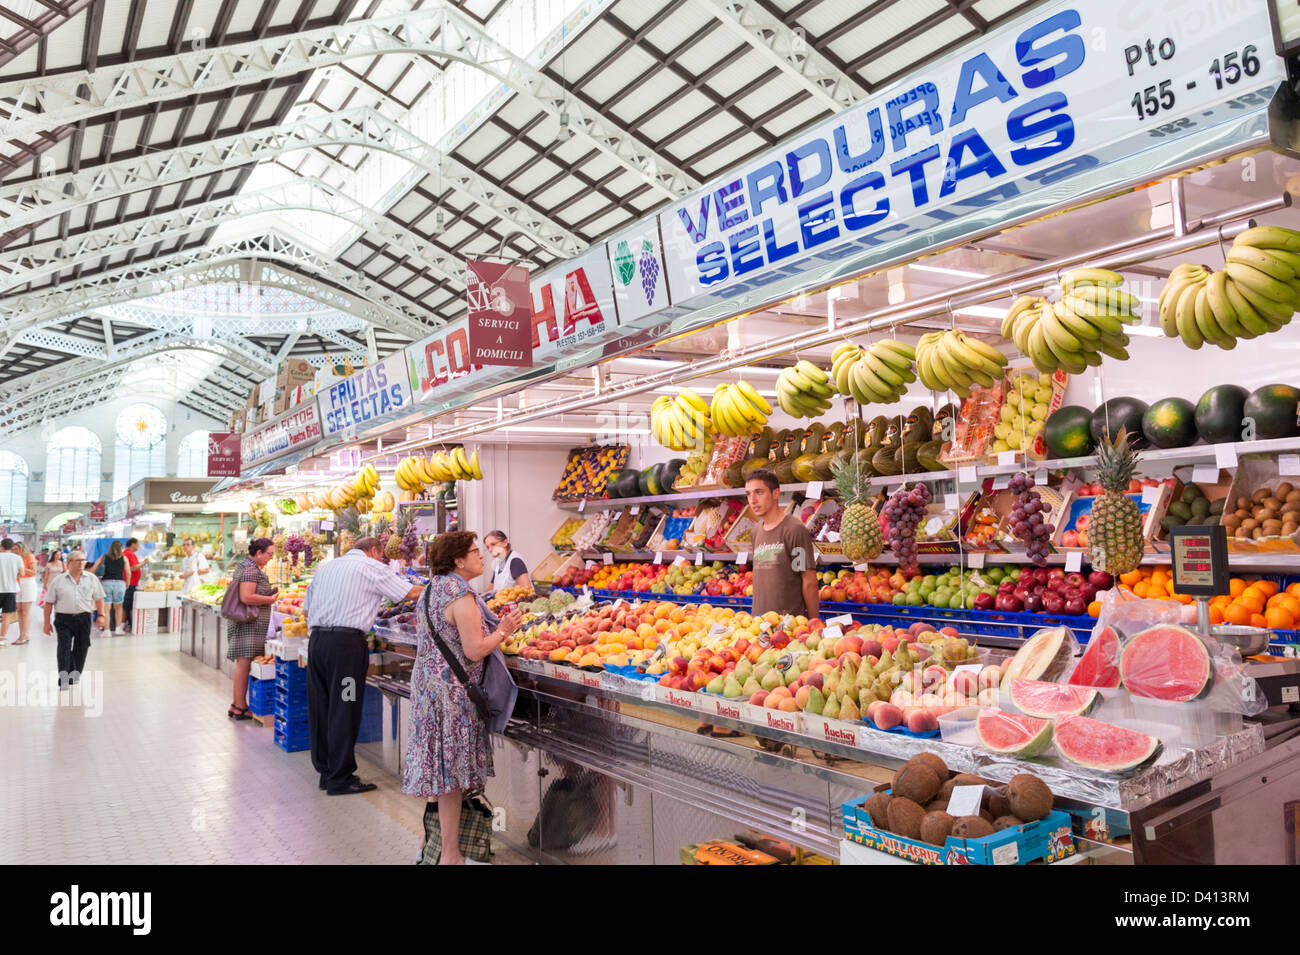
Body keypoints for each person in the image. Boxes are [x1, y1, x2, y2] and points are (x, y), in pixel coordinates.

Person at [403, 532, 524, 864]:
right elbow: (474, 650)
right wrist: (504, 630)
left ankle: (440, 848)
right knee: (452, 776)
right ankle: (451, 854)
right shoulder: (461, 594)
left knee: (443, 777)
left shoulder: (430, 590)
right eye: (474, 552)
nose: (480, 557)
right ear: (458, 560)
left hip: (429, 691)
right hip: (453, 695)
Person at [303, 536, 423, 795]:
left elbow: (305, 610)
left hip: (318, 644)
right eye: (382, 556)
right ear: (373, 551)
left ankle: (327, 772)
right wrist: (449, 591)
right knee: (345, 706)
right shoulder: (370, 566)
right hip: (345, 648)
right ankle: (341, 778)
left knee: (322, 707)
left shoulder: (327, 568)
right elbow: (410, 593)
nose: (383, 561)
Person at [745, 468, 819, 620]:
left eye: (759, 492)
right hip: (758, 623)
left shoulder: (795, 530)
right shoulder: (756, 532)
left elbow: (809, 581)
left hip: (788, 625)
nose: (752, 500)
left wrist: (813, 623)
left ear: (776, 494)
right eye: (748, 494)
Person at [226, 538, 279, 720]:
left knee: (243, 664)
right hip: (248, 624)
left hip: (249, 623)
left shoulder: (248, 566)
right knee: (244, 664)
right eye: (269, 554)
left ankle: (236, 704)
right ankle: (240, 706)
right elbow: (247, 597)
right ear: (259, 552)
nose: (271, 558)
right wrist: (270, 600)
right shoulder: (250, 568)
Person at [42, 550, 107, 689]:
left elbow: (99, 598)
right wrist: (46, 623)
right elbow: (48, 603)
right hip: (63, 619)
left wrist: (101, 615)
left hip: (84, 618)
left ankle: (75, 674)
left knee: (82, 646)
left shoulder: (91, 578)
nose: (81, 563)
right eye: (78, 560)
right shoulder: (58, 580)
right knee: (64, 648)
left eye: (83, 560)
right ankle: (64, 679)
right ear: (69, 563)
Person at [90, 542, 129, 634]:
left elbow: (93, 569)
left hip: (105, 583)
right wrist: (127, 583)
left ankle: (107, 630)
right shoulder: (124, 558)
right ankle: (118, 629)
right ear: (121, 548)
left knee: (106, 609)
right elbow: (128, 573)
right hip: (119, 583)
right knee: (118, 608)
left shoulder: (103, 557)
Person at [12, 542, 37, 645]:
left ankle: (23, 635)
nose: (14, 551)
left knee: (25, 611)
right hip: (17, 583)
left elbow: (33, 572)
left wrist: (21, 568)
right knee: (19, 610)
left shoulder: (29, 556)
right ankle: (23, 635)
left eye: (16, 549)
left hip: (28, 583)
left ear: (21, 549)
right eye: (13, 549)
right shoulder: (14, 558)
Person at [122, 538, 147, 633]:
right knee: (126, 605)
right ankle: (122, 624)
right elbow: (132, 568)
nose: (138, 546)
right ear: (133, 544)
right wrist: (143, 563)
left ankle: (125, 623)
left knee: (127, 605)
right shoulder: (129, 553)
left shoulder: (128, 553)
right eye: (138, 544)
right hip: (130, 583)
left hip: (131, 582)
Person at [0, 539, 21, 647]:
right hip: (10, 589)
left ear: (1, 547)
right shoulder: (17, 558)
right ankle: (1, 639)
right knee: (6, 615)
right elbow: (21, 573)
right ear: (12, 547)